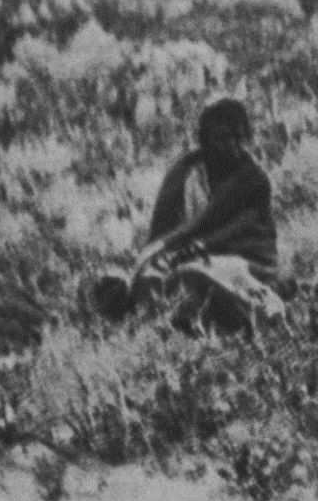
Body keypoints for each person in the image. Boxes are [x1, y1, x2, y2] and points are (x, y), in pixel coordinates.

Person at [94, 97, 285, 331]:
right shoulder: (186, 173)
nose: (232, 146)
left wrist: (193, 248)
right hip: (192, 255)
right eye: (222, 138)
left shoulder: (253, 179)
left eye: (238, 137)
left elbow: (225, 229)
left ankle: (260, 310)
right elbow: (165, 231)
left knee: (198, 276)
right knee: (156, 280)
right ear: (206, 141)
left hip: (248, 259)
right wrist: (150, 263)